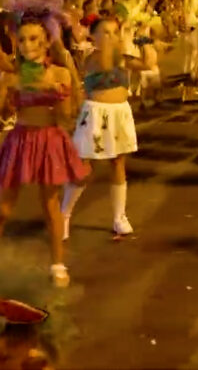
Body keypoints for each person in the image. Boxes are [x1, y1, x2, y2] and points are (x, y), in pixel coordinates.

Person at [0, 2, 89, 287]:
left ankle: (57, 264)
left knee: (51, 207)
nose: (27, 45)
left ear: (47, 41)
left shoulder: (60, 74)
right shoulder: (13, 76)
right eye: (23, 39)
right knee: (1, 210)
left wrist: (61, 97)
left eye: (34, 39)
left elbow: (66, 119)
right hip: (20, 139)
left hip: (49, 139)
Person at [60, 16, 146, 241]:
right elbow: (108, 64)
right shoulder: (93, 57)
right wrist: (119, 45)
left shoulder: (122, 57)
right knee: (84, 167)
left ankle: (119, 216)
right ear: (93, 36)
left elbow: (147, 65)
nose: (110, 37)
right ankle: (64, 214)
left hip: (119, 113)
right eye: (105, 32)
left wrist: (146, 43)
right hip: (96, 114)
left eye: (114, 32)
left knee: (118, 163)